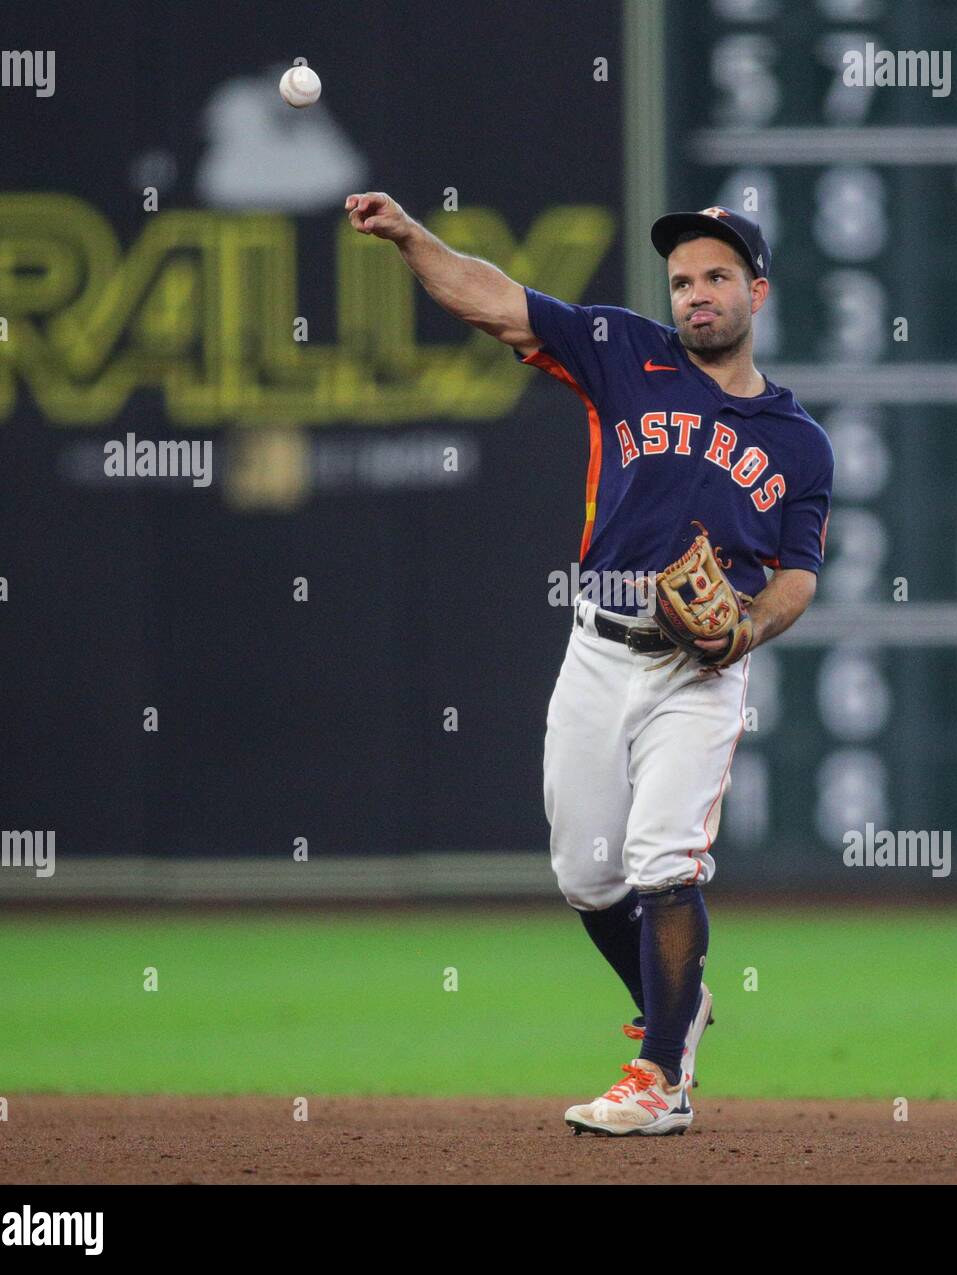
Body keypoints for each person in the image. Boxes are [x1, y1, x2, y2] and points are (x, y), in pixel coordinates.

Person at [346, 193, 834, 1135]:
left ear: (757, 292)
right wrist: (412, 237)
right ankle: (680, 1002)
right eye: (684, 279)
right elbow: (493, 300)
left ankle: (662, 1075)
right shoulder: (623, 350)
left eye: (717, 277)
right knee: (585, 874)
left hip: (698, 675)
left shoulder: (797, 441)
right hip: (598, 650)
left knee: (663, 856)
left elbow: (796, 582)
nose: (696, 294)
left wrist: (742, 633)